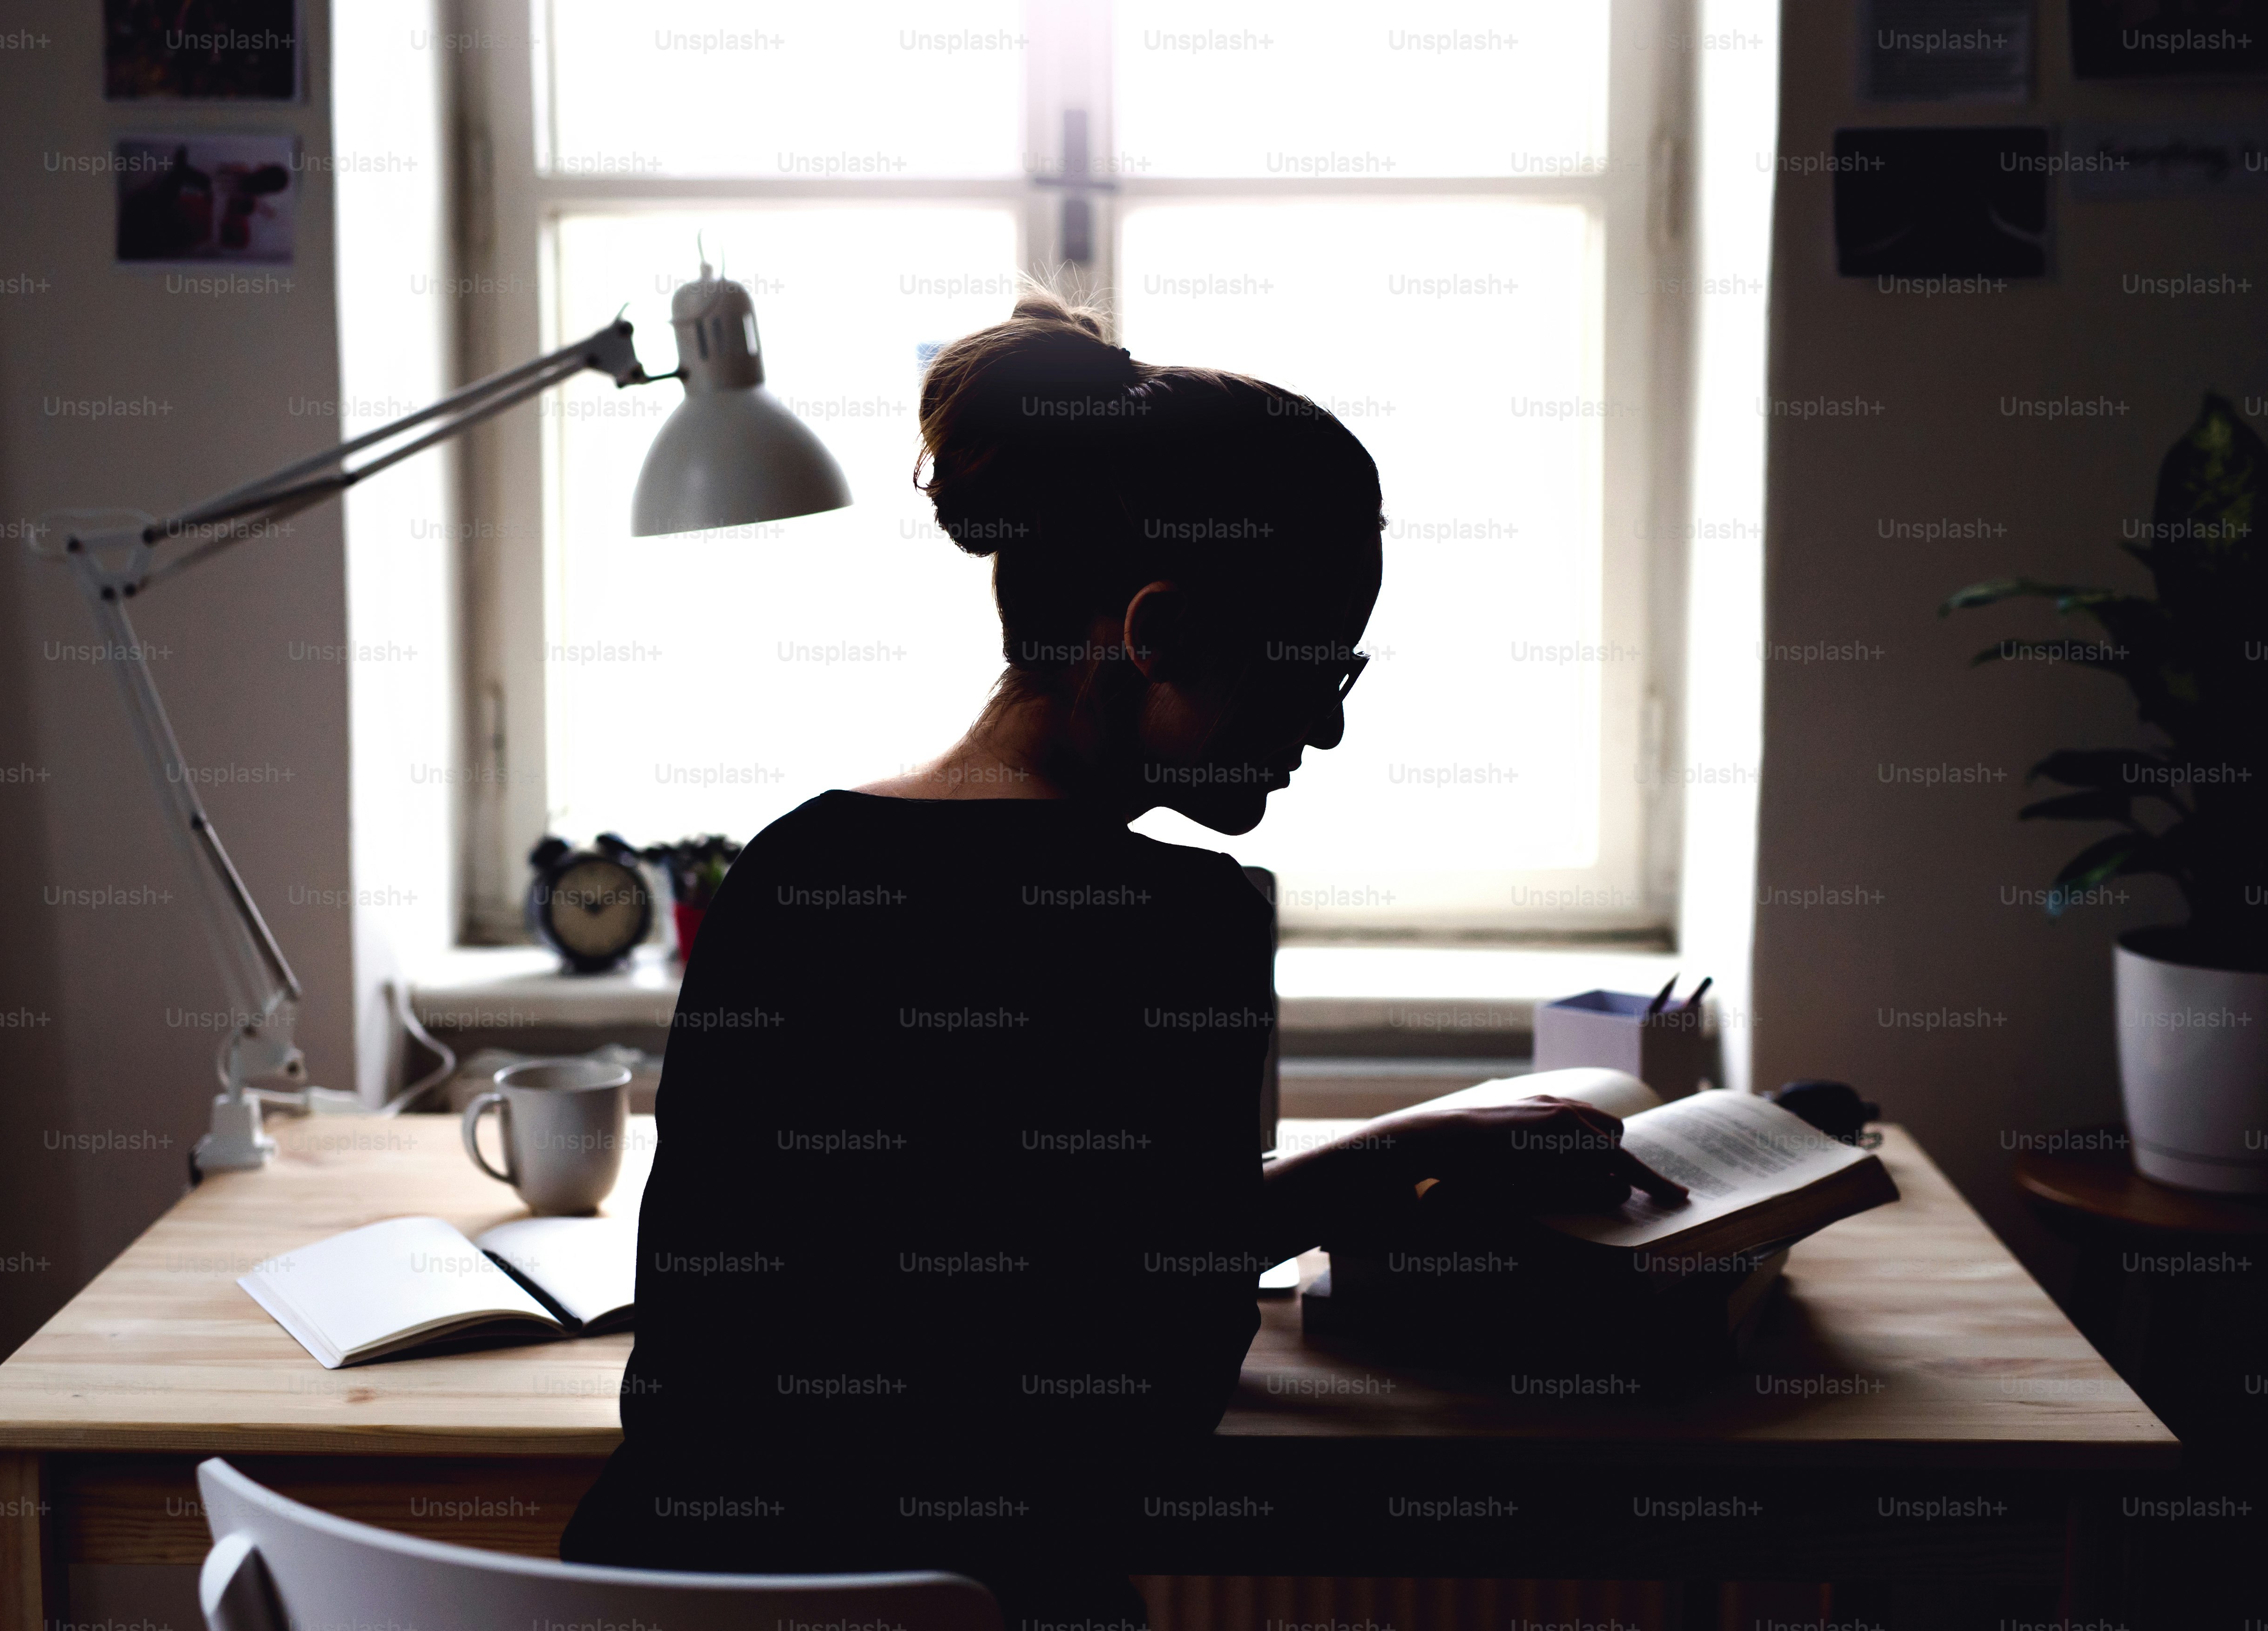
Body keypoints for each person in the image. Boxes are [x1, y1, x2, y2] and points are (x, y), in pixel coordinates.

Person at [561, 290, 1684, 1624]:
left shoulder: (790, 865)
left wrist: (1387, 1155)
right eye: (1314, 670)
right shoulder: (1180, 925)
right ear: (1157, 636)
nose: (1326, 730)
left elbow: (991, 1265)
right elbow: (1154, 1394)